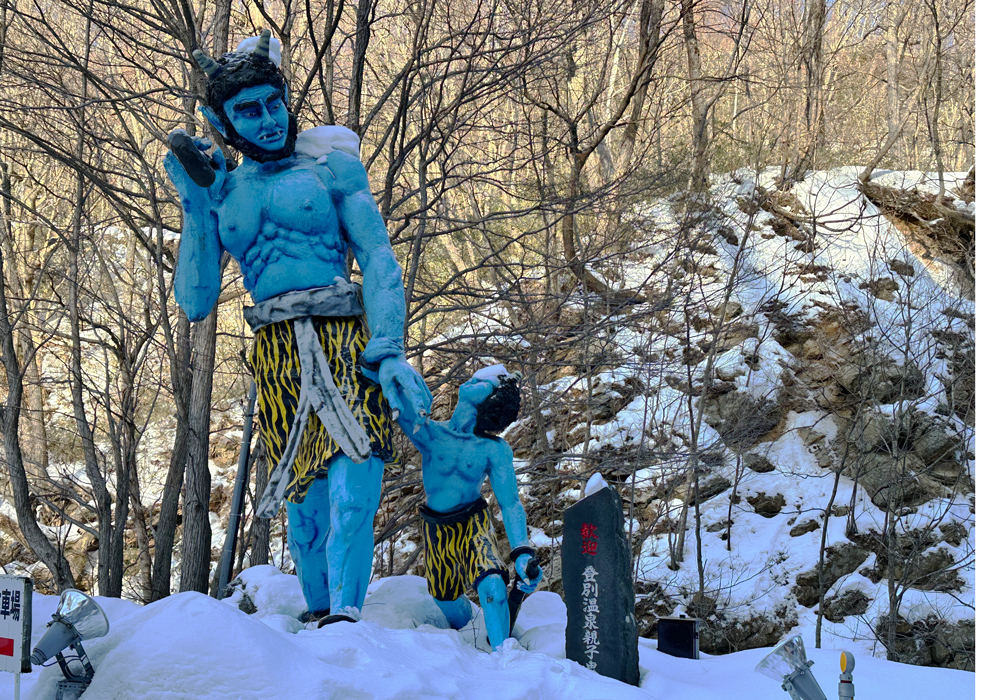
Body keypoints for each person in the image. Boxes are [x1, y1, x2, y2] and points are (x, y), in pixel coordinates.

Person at [163, 30, 431, 626]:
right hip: (277, 353)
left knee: (354, 484)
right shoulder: (223, 193)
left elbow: (378, 258)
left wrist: (389, 347)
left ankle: (347, 617)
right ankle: (319, 615)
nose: (266, 121)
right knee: (305, 507)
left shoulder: (331, 170)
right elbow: (195, 300)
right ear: (220, 121)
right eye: (247, 111)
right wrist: (195, 204)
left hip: (344, 339)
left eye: (273, 103)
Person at [394, 365, 544, 651]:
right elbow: (399, 401)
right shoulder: (431, 434)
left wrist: (522, 551)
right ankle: (470, 631)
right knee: (444, 598)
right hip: (436, 527)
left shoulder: (494, 449)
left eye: (485, 382)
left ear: (493, 397)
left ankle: (505, 657)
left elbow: (510, 503)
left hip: (473, 522)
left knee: (493, 586)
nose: (474, 380)